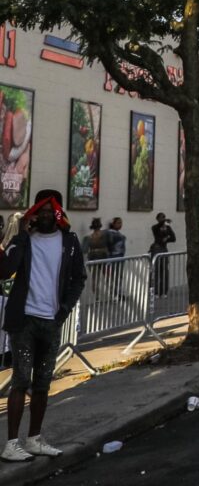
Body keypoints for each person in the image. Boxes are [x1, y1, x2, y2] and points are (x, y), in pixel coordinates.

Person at [0, 189, 86, 462]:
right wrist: (23, 235)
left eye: (52, 211)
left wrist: (64, 310)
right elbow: (5, 270)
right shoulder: (24, 240)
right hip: (24, 320)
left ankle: (34, 439)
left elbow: (78, 278)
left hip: (51, 321)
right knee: (21, 379)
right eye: (42, 211)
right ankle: (11, 444)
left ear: (58, 213)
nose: (47, 215)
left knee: (43, 383)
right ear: (35, 213)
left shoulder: (69, 241)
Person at [148, 212, 176, 297]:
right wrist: (163, 223)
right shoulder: (155, 227)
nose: (162, 219)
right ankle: (155, 291)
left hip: (163, 248)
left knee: (164, 271)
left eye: (163, 217)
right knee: (155, 270)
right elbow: (157, 232)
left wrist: (167, 237)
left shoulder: (167, 228)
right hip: (156, 248)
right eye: (160, 218)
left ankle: (163, 291)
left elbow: (173, 238)